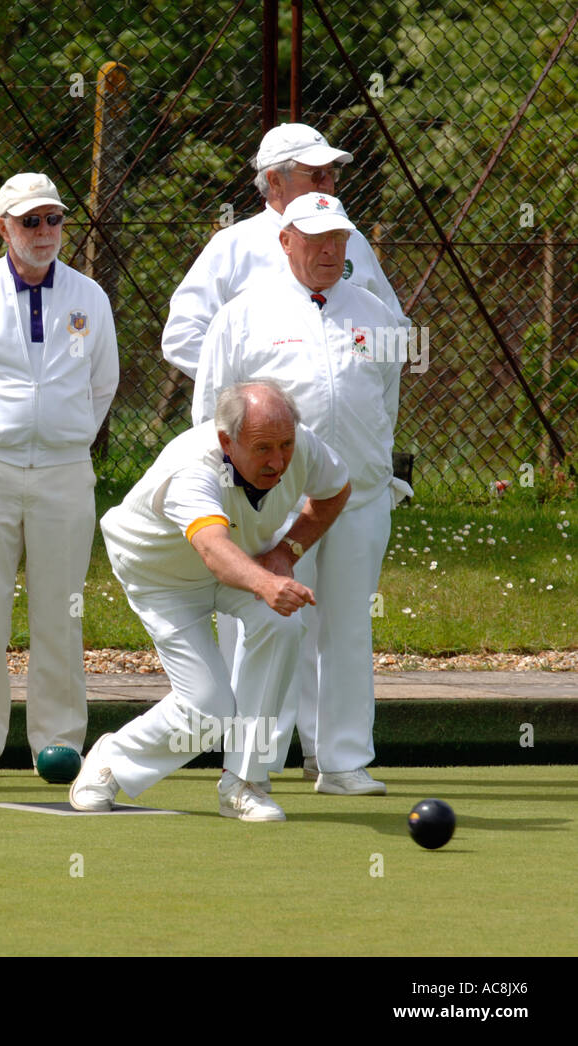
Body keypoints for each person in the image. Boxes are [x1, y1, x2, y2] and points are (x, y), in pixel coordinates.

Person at [192, 192, 408, 795]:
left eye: (339, 239)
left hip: (358, 498)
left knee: (348, 628)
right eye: (316, 240)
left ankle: (341, 762)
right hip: (273, 503)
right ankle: (254, 765)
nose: (330, 251)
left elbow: (384, 402)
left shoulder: (377, 313)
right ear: (285, 241)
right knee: (271, 627)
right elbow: (210, 412)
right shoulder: (243, 314)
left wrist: (372, 470)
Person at [70, 382, 350, 820]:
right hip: (163, 574)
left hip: (244, 559)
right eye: (263, 449)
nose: (278, 461)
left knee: (282, 624)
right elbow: (214, 551)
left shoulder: (302, 447)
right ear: (226, 441)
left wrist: (284, 552)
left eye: (285, 445)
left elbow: (336, 490)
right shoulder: (193, 470)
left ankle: (244, 782)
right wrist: (265, 582)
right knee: (209, 710)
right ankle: (110, 759)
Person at [0, 172, 119, 777]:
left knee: (61, 609)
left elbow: (103, 384)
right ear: (3, 227)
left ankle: (56, 740)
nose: (44, 232)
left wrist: (63, 440)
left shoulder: (89, 297)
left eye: (53, 219)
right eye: (29, 221)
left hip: (64, 470)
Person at [162, 122, 409, 380]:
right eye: (315, 174)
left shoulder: (353, 240)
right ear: (275, 181)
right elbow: (183, 336)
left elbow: (395, 328)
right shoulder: (233, 245)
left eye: (331, 173)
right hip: (260, 419)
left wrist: (359, 381)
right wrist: (249, 393)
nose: (327, 184)